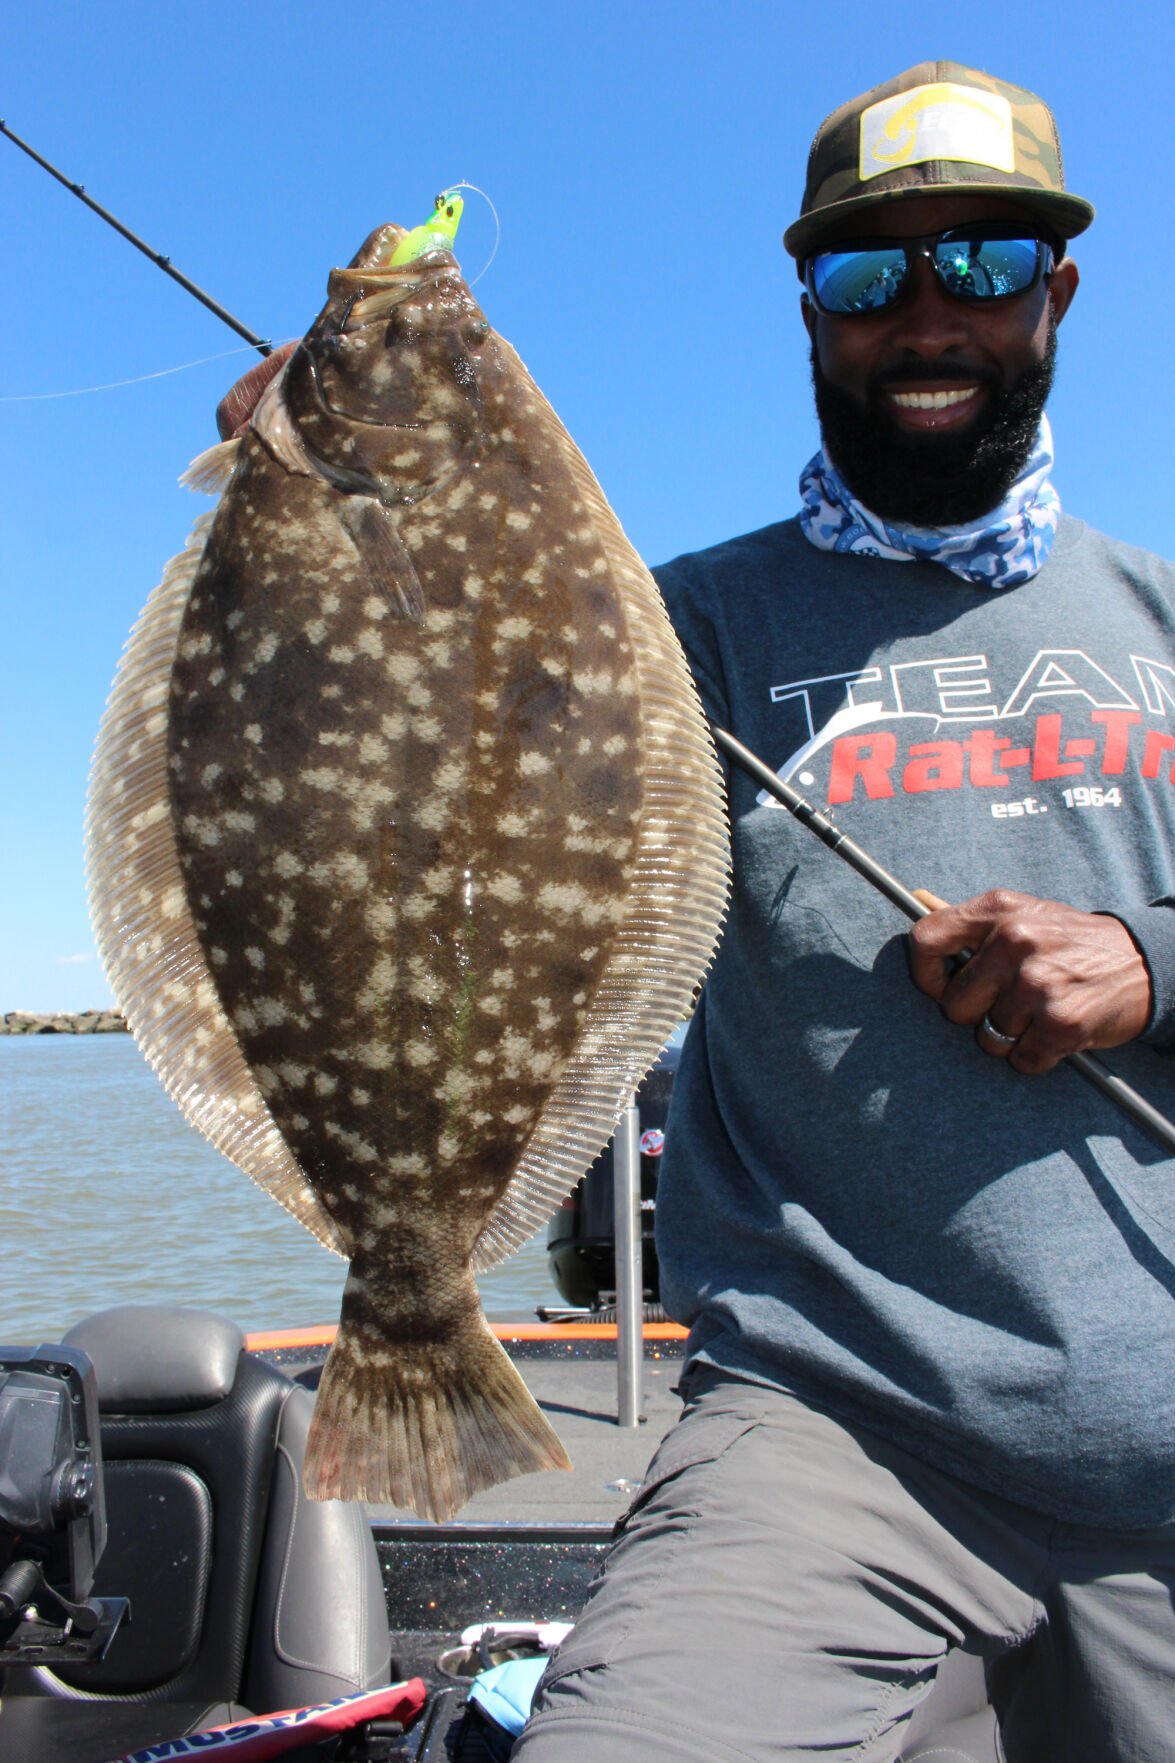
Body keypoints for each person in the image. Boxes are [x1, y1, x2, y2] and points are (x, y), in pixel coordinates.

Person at [512, 61, 1175, 1763]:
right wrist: (362, 507)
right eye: (873, 276)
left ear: (1061, 293)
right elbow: (464, 817)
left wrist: (1152, 962)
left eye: (986, 265)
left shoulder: (1162, 608)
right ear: (809, 305)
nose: (928, 318)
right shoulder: (679, 632)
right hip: (835, 1432)